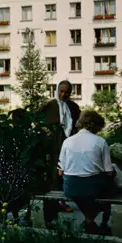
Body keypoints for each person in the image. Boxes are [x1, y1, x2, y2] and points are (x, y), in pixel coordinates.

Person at [58, 110, 114, 234]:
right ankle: (93, 222)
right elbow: (109, 171)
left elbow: (60, 171)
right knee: (110, 194)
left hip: (71, 187)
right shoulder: (100, 141)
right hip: (93, 187)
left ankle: (89, 222)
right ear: (97, 126)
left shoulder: (67, 142)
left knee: (82, 198)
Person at [39, 80, 82, 215]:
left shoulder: (73, 107)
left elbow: (78, 124)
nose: (64, 95)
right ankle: (56, 202)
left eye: (67, 92)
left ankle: (64, 199)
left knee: (68, 170)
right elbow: (37, 121)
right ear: (57, 91)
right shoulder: (49, 106)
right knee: (54, 171)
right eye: (61, 91)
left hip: (69, 143)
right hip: (53, 144)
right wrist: (46, 131)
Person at [0, 109, 30, 224]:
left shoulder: (7, 134)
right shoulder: (21, 135)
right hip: (12, 175)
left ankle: (6, 215)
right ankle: (20, 215)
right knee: (23, 186)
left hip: (1, 175)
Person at [99, 143, 122, 236]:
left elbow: (110, 180)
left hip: (118, 191)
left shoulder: (112, 167)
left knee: (107, 208)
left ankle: (104, 225)